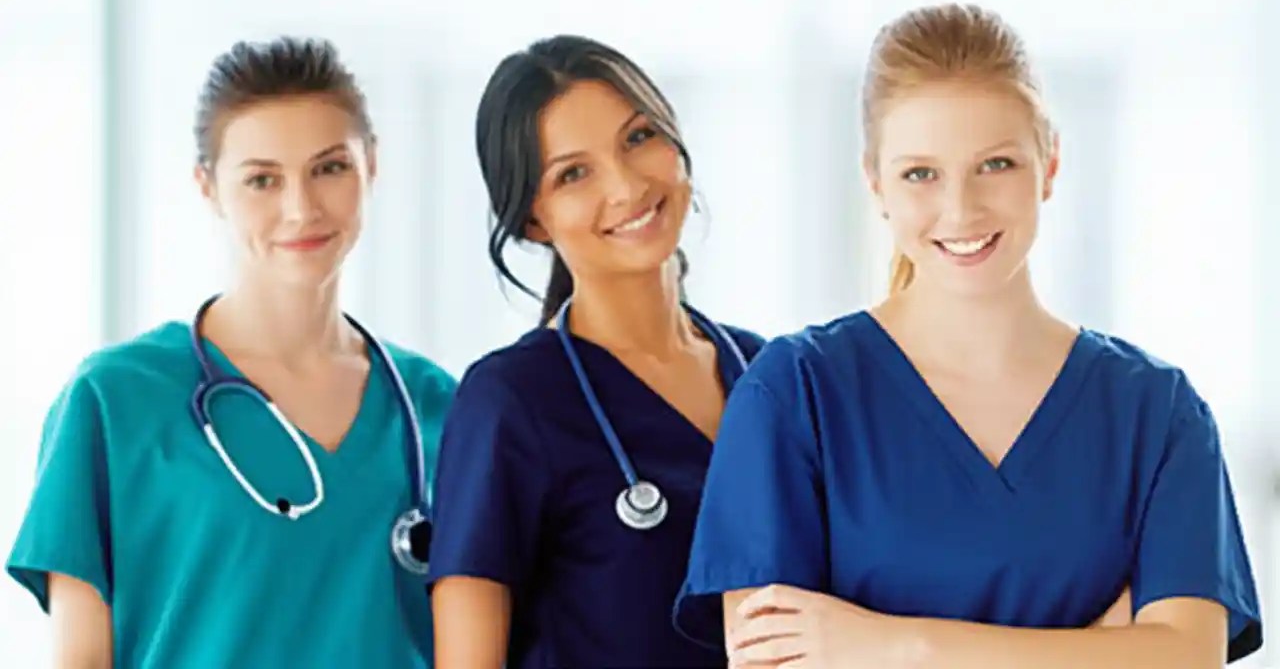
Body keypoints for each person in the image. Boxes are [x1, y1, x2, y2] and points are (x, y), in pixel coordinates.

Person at [674, 3, 1264, 667]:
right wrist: (1097, 650)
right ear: (876, 184)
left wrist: (895, 643)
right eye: (920, 173)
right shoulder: (795, 393)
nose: (961, 208)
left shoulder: (1156, 411)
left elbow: (1187, 658)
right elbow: (769, 659)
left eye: (997, 165)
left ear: (1051, 162)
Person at [6, 36, 456, 668]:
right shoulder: (115, 401)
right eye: (262, 180)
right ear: (208, 187)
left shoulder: (439, 405)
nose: (300, 208)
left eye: (330, 167)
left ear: (371, 167)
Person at [426, 35, 766, 668]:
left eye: (638, 138)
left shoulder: (768, 376)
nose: (627, 186)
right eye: (573, 174)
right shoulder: (512, 401)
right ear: (532, 219)